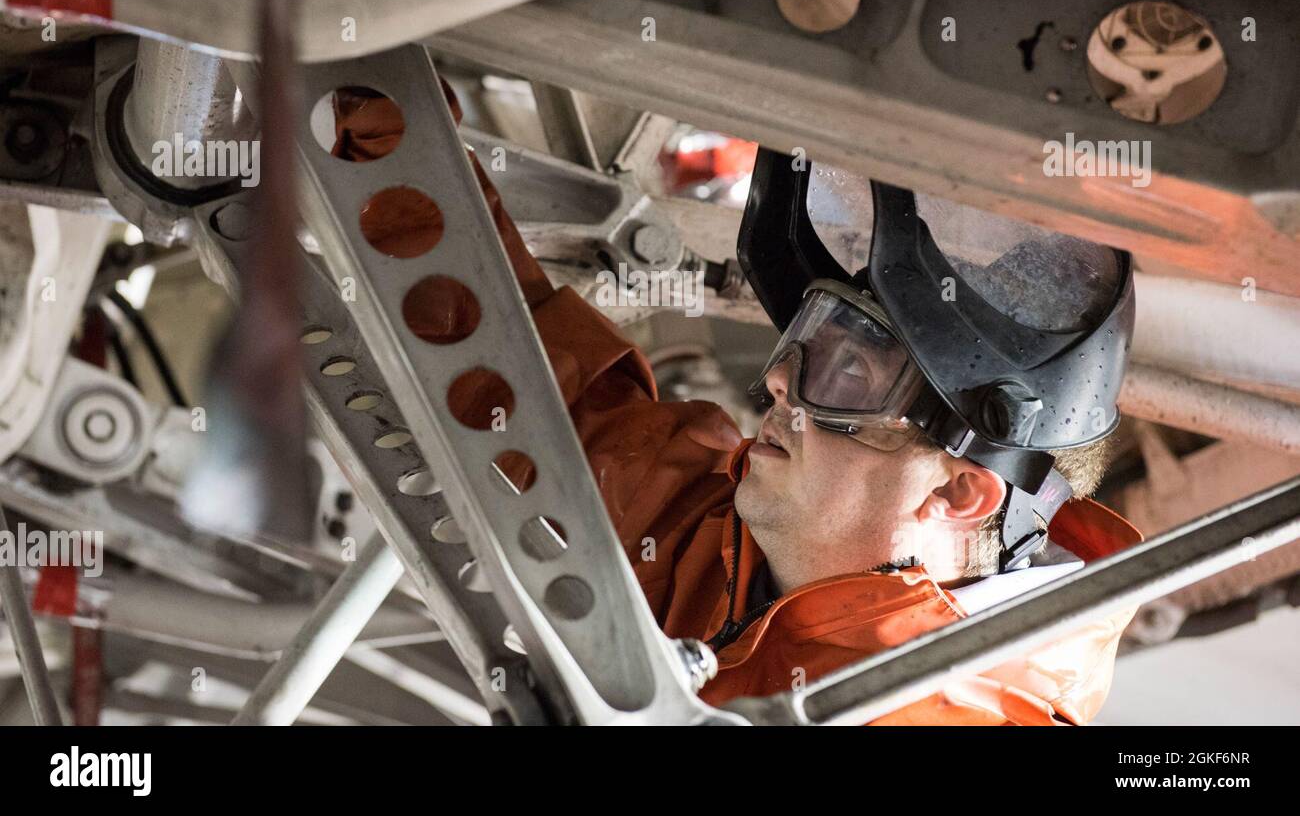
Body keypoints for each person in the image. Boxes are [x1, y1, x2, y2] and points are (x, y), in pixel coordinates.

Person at [335, 85, 1142, 725]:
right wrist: (374, 112)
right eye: (808, 344)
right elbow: (506, 363)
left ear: (959, 491)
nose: (782, 384)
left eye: (848, 377)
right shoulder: (711, 534)